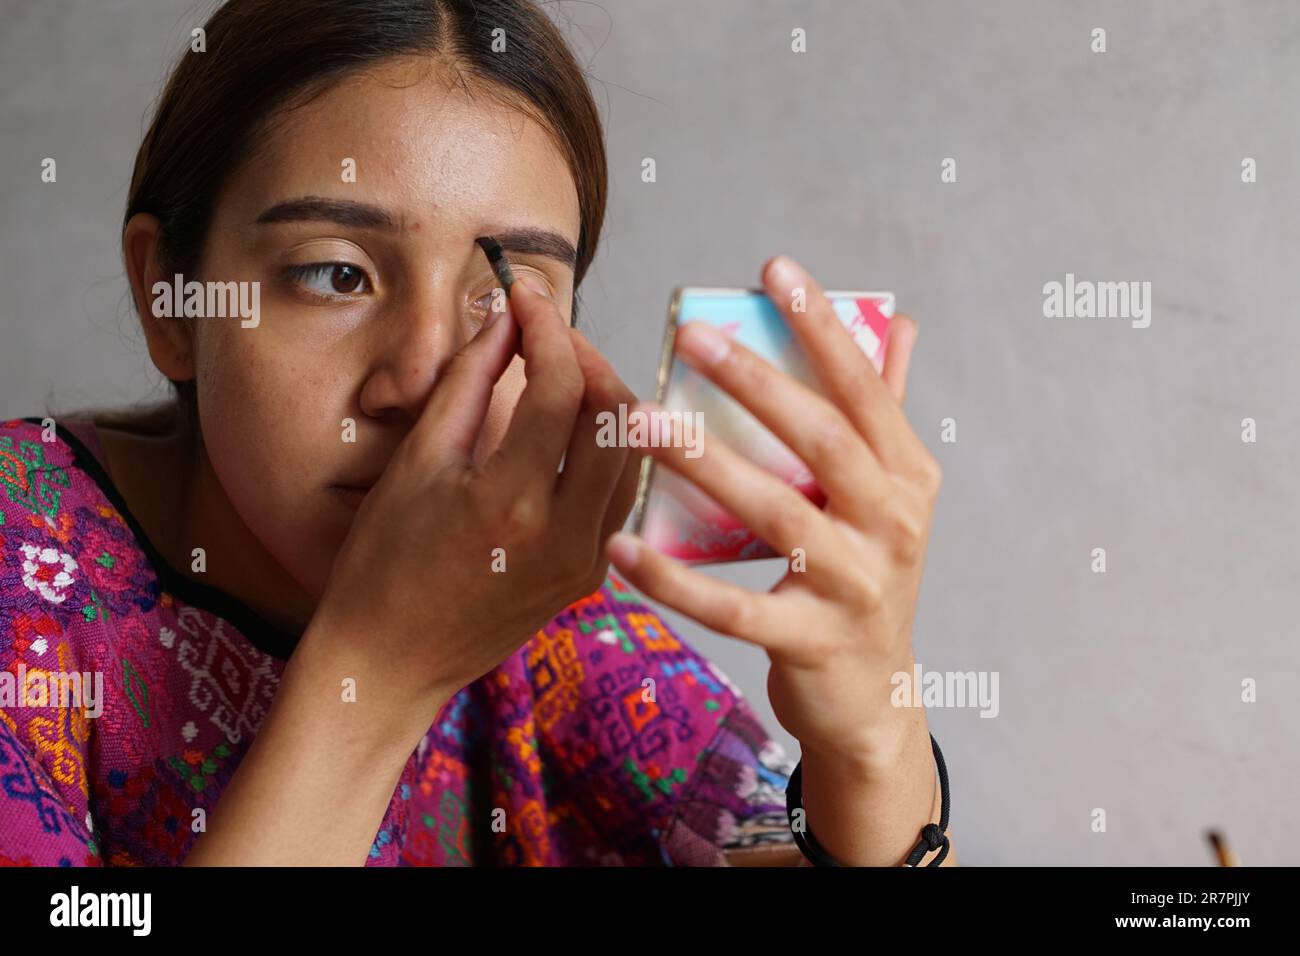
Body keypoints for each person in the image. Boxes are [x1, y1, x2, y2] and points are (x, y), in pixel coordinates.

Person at [0, 0, 951, 867]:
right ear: (169, 297)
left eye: (501, 294)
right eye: (335, 274)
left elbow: (764, 854)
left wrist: (874, 743)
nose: (421, 380)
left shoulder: (530, 602)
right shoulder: (24, 566)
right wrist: (378, 673)